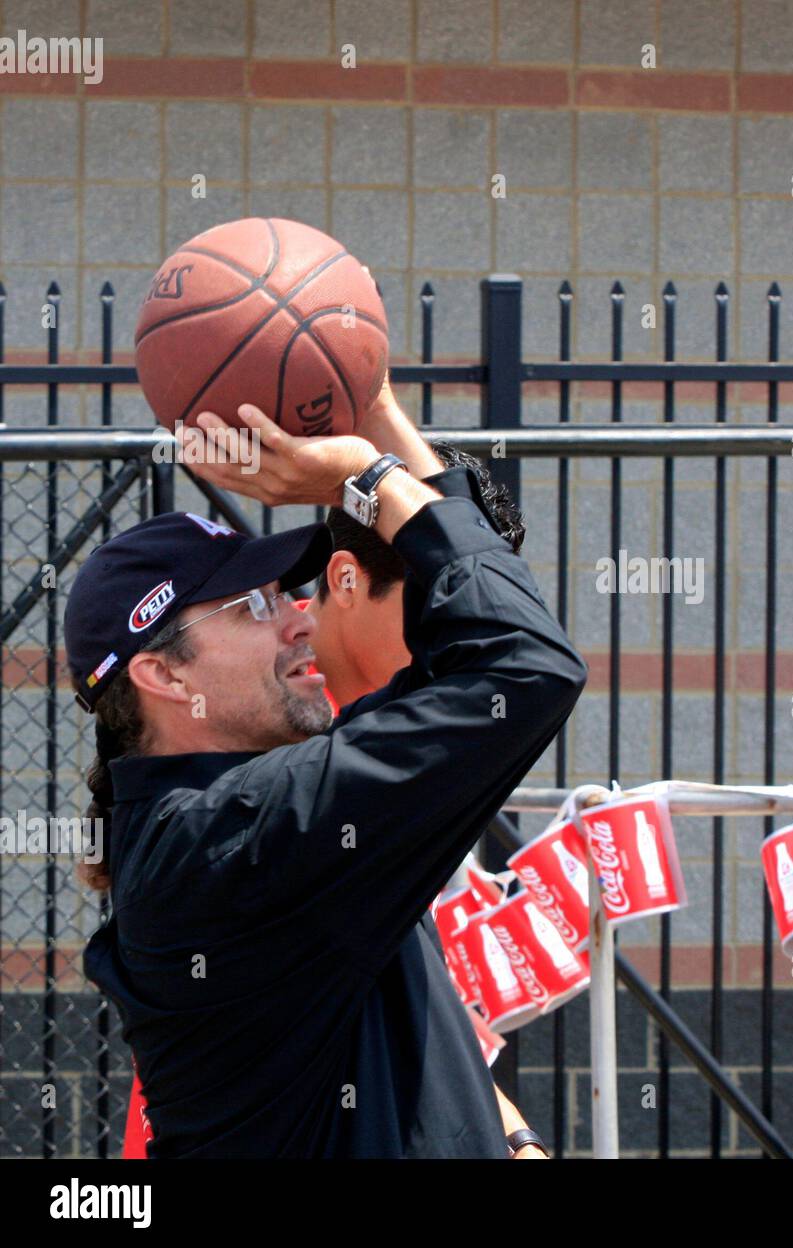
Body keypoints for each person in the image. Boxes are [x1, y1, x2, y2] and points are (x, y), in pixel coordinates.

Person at [70, 388, 587, 1157]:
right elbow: (519, 664)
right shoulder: (234, 838)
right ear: (166, 677)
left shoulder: (266, 813)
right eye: (254, 605)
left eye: (287, 592)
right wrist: (365, 476)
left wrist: (373, 406)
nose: (302, 617)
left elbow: (471, 645)